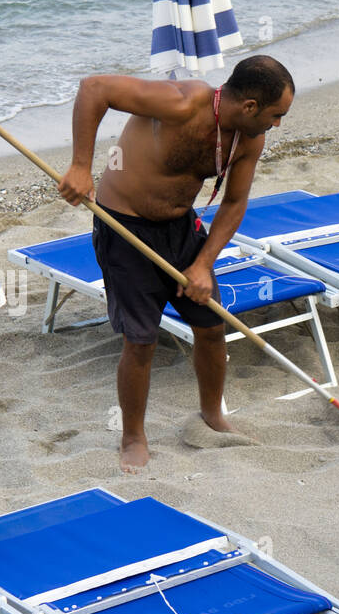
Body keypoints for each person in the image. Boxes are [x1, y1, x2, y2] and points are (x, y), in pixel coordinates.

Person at [57, 55, 294, 472]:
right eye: (277, 116)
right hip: (124, 229)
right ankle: (133, 436)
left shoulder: (248, 140)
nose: (278, 125)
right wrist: (80, 166)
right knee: (141, 340)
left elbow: (235, 202)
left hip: (182, 231)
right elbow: (94, 87)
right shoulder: (182, 103)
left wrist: (203, 264)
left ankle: (213, 414)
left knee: (211, 327)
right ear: (251, 106)